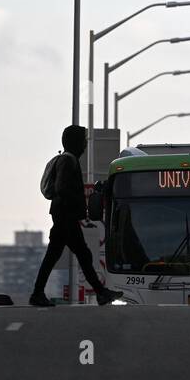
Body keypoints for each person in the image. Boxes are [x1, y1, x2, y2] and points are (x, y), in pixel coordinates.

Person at [29, 125, 123, 307]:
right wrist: (76, 205)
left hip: (64, 216)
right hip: (65, 217)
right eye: (83, 141)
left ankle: (100, 292)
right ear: (74, 143)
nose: (85, 145)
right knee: (74, 255)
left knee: (77, 254)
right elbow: (61, 188)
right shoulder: (68, 161)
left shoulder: (67, 160)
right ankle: (99, 292)